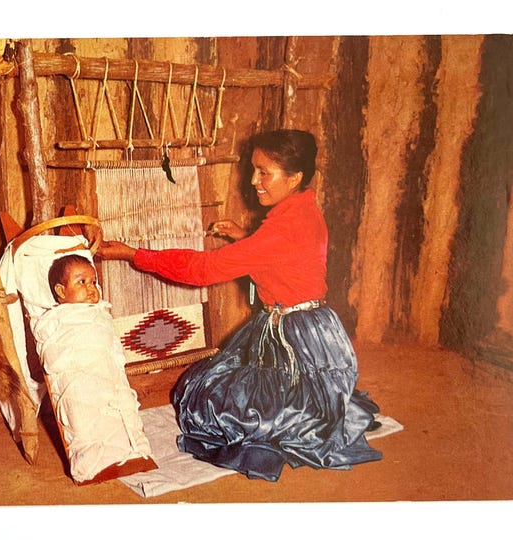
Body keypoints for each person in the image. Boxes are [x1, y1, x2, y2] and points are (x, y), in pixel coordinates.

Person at [98, 128, 382, 481]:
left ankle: (299, 412)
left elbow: (205, 270)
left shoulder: (280, 230)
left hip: (295, 343)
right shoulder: (304, 209)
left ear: (294, 178)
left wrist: (133, 254)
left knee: (203, 401)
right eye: (254, 169)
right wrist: (244, 239)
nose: (254, 180)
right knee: (207, 386)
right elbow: (287, 259)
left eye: (265, 172)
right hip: (318, 335)